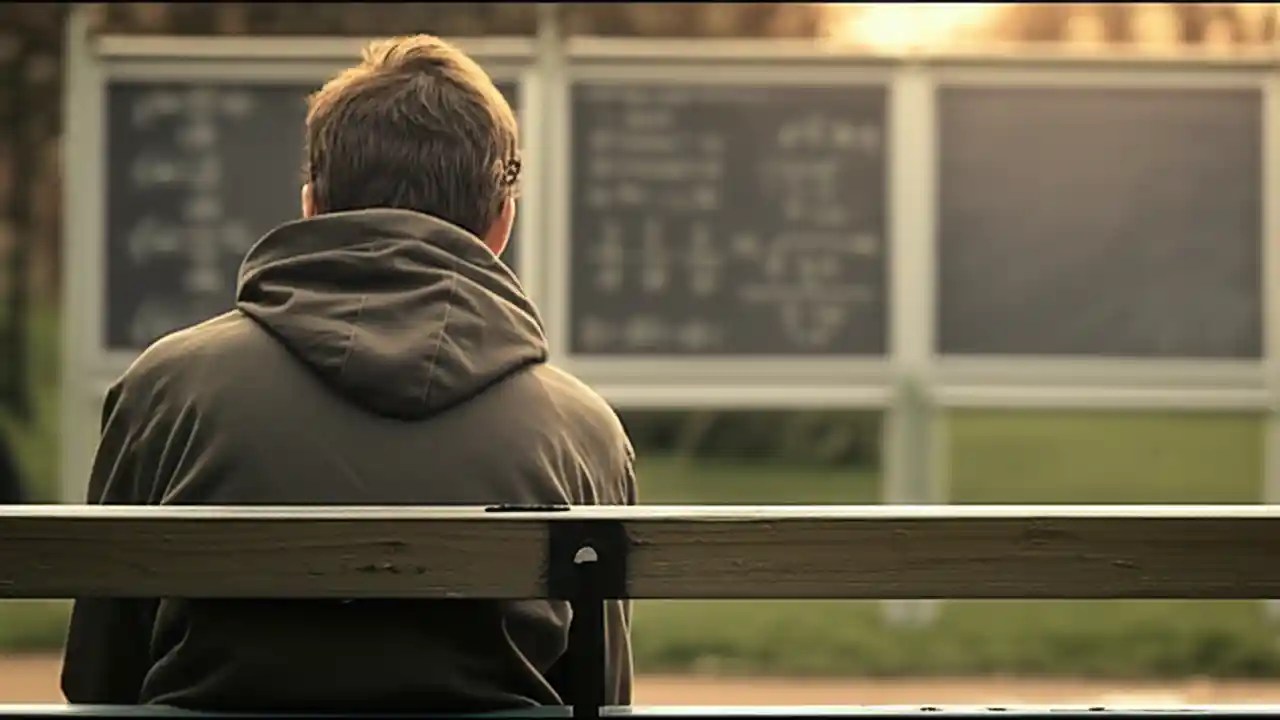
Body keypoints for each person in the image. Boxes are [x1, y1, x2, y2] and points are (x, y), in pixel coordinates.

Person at [61, 35, 636, 713]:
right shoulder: (581, 432)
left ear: (311, 202)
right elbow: (599, 698)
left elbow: (101, 681)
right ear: (501, 223)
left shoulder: (166, 391)